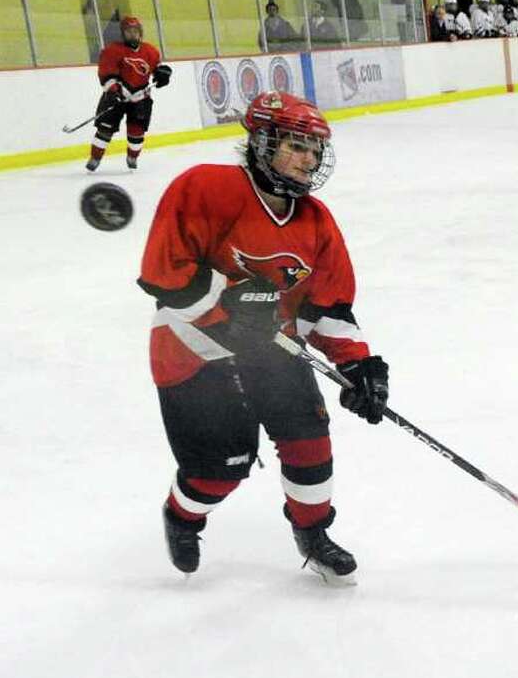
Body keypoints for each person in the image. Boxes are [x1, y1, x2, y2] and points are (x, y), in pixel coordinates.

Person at [139, 91, 389, 586]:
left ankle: (313, 533)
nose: (308, 159)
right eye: (296, 145)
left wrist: (357, 365)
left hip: (273, 349)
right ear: (263, 142)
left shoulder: (315, 221)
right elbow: (163, 274)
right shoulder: (206, 188)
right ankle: (182, 516)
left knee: (310, 442)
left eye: (315, 150)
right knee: (218, 472)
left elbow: (327, 305)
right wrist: (226, 305)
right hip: (195, 349)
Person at [88, 16, 171, 172]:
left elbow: (157, 70)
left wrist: (163, 75)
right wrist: (114, 91)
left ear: (140, 32)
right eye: (128, 31)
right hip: (117, 96)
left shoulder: (150, 51)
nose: (132, 34)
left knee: (136, 133)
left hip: (141, 97)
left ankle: (132, 156)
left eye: (135, 31)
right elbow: (106, 73)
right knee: (105, 128)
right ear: (122, 33)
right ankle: (95, 157)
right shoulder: (112, 50)